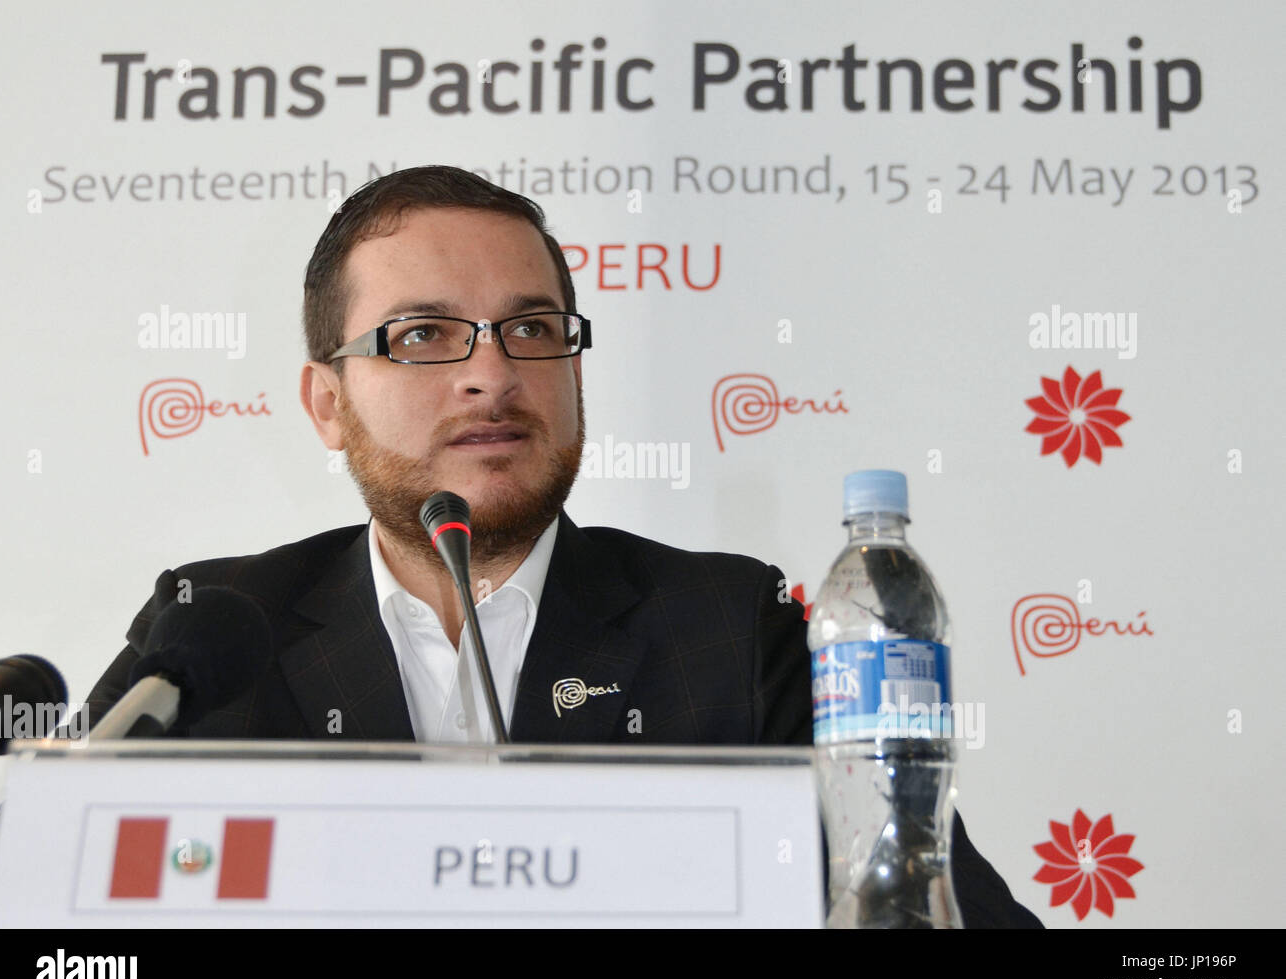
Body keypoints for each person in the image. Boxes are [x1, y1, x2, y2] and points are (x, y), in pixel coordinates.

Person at [77, 165, 1039, 926]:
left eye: (532, 328)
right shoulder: (213, 633)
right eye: (422, 335)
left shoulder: (729, 630)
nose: (491, 374)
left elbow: (938, 907)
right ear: (328, 403)